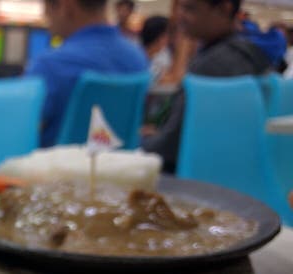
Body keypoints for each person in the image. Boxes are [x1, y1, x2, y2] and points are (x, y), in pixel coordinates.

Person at [141, 0, 270, 172]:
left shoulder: (212, 64)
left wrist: (138, 144)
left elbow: (171, 146)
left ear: (225, 8)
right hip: (236, 174)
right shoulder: (253, 57)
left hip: (193, 179)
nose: (180, 16)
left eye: (190, 8)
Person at [27, 0, 148, 147]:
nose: (45, 15)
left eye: (46, 7)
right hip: (117, 168)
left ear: (66, 6)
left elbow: (18, 128)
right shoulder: (137, 59)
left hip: (57, 167)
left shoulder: (50, 66)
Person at [141, 15, 172, 83]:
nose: (170, 38)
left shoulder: (165, 54)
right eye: (168, 33)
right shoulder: (136, 55)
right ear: (160, 36)